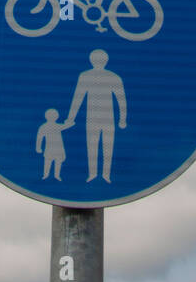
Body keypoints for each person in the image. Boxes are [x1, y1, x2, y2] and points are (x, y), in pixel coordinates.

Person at [64, 50, 127, 183]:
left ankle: (100, 174)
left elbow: (77, 99)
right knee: (104, 146)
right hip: (101, 118)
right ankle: (100, 174)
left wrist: (71, 118)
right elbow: (121, 101)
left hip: (97, 118)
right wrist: (122, 119)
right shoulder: (110, 76)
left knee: (96, 146)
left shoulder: (88, 76)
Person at [35, 109, 69, 180]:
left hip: (58, 149)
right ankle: (46, 175)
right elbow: (39, 138)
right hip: (50, 148)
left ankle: (56, 176)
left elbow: (65, 126)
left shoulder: (54, 126)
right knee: (48, 161)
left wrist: (69, 123)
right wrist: (38, 147)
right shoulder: (44, 127)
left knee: (57, 162)